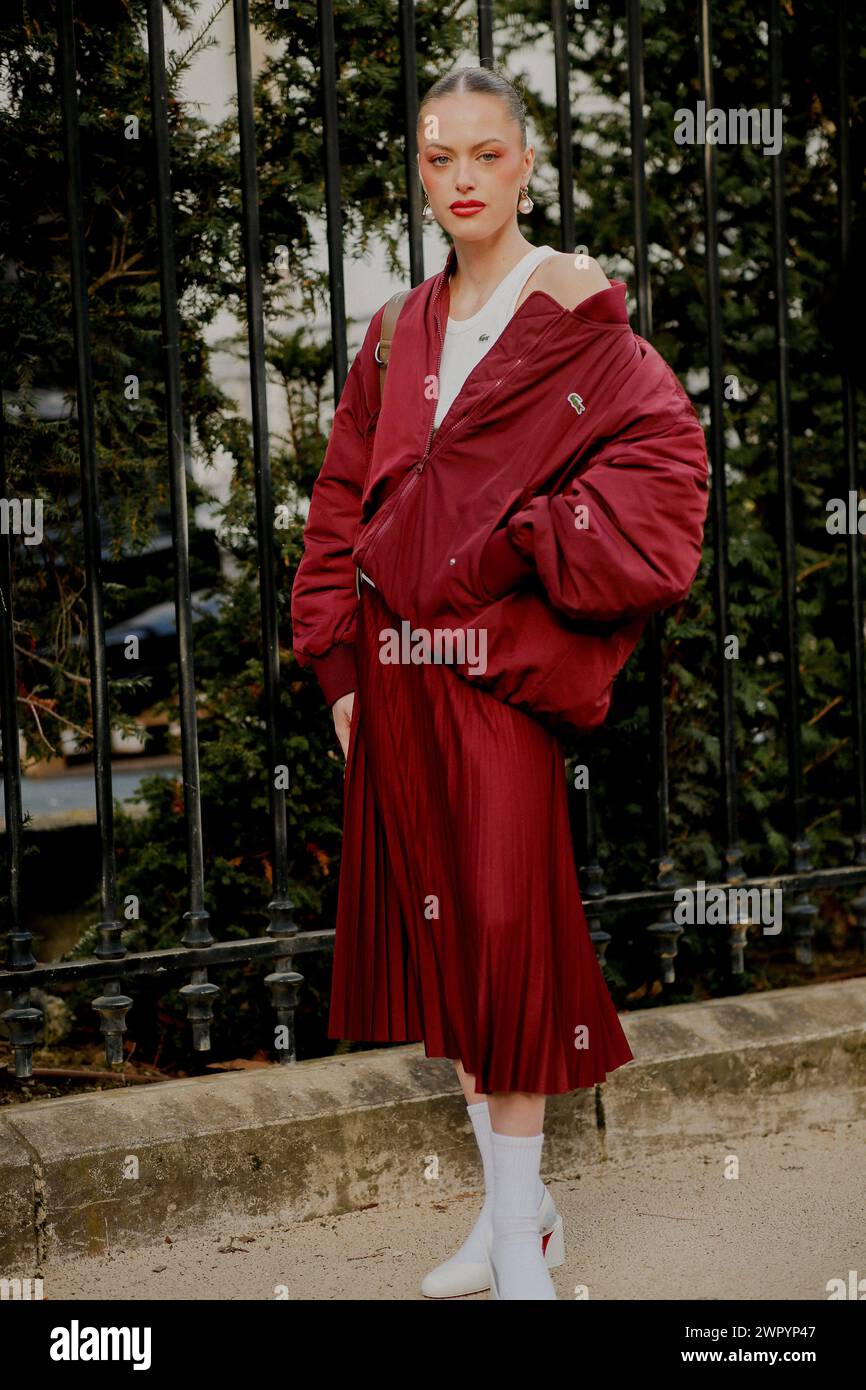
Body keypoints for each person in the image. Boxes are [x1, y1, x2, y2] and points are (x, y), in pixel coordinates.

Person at [291, 65, 709, 1300]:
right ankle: (512, 1216)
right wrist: (335, 669)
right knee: (453, 965)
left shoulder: (573, 311)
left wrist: (529, 544)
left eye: (483, 154)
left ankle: (523, 1241)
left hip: (494, 683)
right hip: (396, 687)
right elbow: (336, 504)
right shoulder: (396, 330)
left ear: (524, 165)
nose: (460, 178)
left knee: (506, 947)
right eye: (436, 158)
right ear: (420, 175)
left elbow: (665, 478)